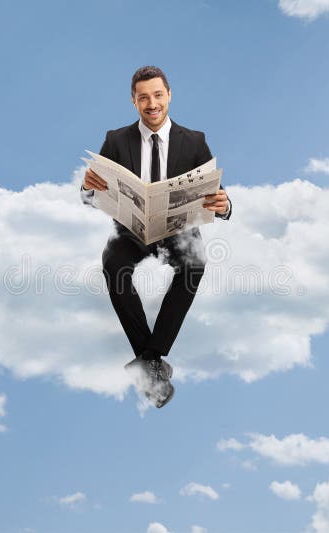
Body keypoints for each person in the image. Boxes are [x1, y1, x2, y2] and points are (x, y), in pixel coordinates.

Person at [80, 65, 232, 408]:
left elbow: (217, 195)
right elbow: (90, 196)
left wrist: (224, 204)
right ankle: (151, 363)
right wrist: (88, 188)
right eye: (143, 97)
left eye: (158, 95)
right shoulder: (115, 140)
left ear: (169, 96)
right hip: (132, 230)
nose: (152, 104)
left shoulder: (194, 141)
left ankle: (148, 359)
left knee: (195, 264)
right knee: (112, 263)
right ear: (133, 102)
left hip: (178, 229)